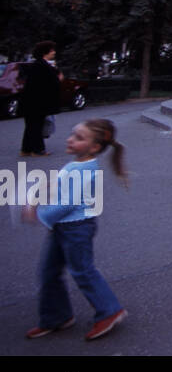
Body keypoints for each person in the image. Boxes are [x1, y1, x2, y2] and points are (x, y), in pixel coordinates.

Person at [23, 118, 128, 341]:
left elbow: (69, 202)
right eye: (73, 134)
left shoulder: (86, 168)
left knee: (82, 271)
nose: (70, 140)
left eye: (79, 138)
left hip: (77, 228)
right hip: (64, 227)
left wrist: (39, 213)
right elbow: (59, 184)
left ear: (95, 147)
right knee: (49, 272)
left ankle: (110, 311)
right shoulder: (77, 164)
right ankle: (56, 317)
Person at [18, 41, 61, 157]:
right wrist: (57, 74)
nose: (54, 52)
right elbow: (53, 82)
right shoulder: (43, 66)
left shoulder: (37, 65)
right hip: (38, 102)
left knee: (30, 126)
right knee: (36, 125)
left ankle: (26, 149)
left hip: (30, 102)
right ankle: (38, 150)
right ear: (45, 52)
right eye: (52, 50)